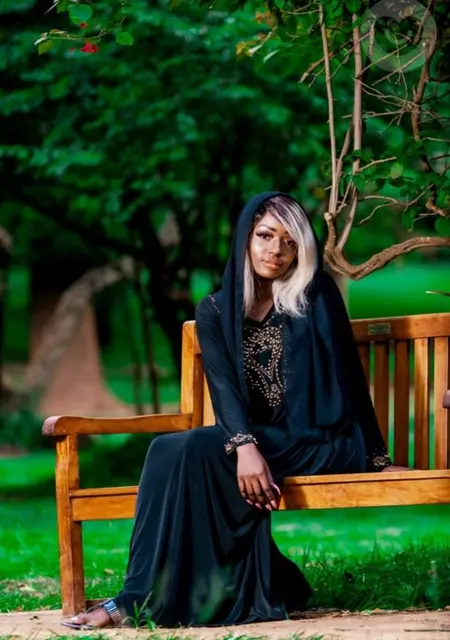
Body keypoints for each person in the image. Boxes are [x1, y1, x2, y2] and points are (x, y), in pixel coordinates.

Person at [62, 192, 406, 631]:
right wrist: (244, 446)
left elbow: (351, 379)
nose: (275, 250)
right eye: (265, 236)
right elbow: (223, 388)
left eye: (289, 242)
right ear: (246, 237)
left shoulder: (314, 296)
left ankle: (136, 602)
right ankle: (260, 582)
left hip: (320, 440)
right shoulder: (215, 310)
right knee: (165, 449)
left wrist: (376, 459)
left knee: (199, 449)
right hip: (262, 441)